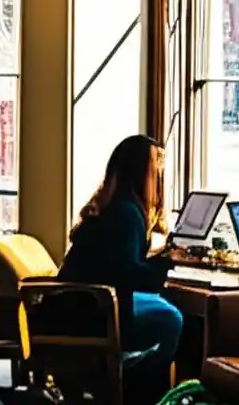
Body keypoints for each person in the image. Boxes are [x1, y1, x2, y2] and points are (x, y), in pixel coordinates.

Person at [57, 135, 182, 404]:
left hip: (75, 307)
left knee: (165, 303)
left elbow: (117, 265)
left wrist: (160, 261)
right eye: (155, 170)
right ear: (143, 174)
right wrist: (168, 263)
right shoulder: (127, 214)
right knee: (174, 319)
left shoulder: (113, 205)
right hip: (98, 315)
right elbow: (129, 274)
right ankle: (136, 385)